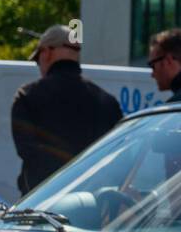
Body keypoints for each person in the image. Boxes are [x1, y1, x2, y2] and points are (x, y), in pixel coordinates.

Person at [11, 24, 123, 194]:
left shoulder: (27, 96)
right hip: (93, 206)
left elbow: (28, 152)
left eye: (37, 58)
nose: (39, 65)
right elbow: (117, 158)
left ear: (47, 52)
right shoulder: (107, 102)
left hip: (42, 204)